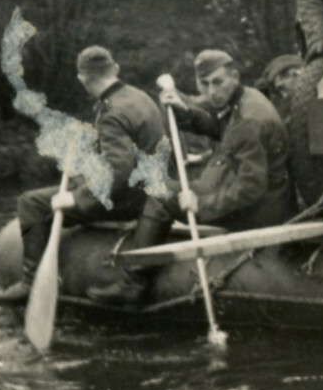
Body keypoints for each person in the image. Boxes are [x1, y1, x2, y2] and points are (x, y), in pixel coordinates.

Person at [87, 49, 294, 304]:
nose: (211, 91)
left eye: (217, 82)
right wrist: (181, 109)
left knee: (160, 194)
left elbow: (251, 188)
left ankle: (133, 284)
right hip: (255, 194)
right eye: (204, 84)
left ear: (234, 76)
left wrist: (202, 205)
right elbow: (215, 125)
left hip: (260, 211)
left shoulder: (248, 120)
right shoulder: (243, 99)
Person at [0, 46, 164, 304]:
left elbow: (118, 170)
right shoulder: (140, 97)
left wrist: (76, 198)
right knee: (69, 186)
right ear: (115, 69)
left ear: (82, 79)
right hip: (152, 195)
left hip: (129, 200)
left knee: (31, 203)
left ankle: (30, 282)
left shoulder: (112, 112)